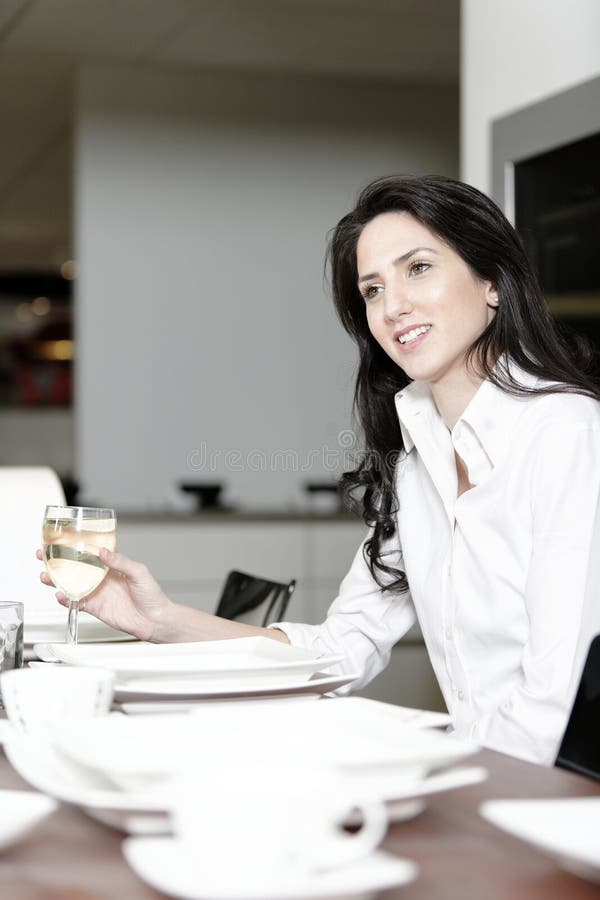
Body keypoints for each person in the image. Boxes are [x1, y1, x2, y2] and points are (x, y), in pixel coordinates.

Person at [39, 175, 600, 765]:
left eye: (418, 269)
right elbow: (340, 651)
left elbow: (555, 700)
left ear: (491, 281)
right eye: (373, 289)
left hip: (546, 800)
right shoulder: (414, 462)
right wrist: (163, 622)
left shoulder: (567, 433)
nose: (393, 306)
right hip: (485, 785)